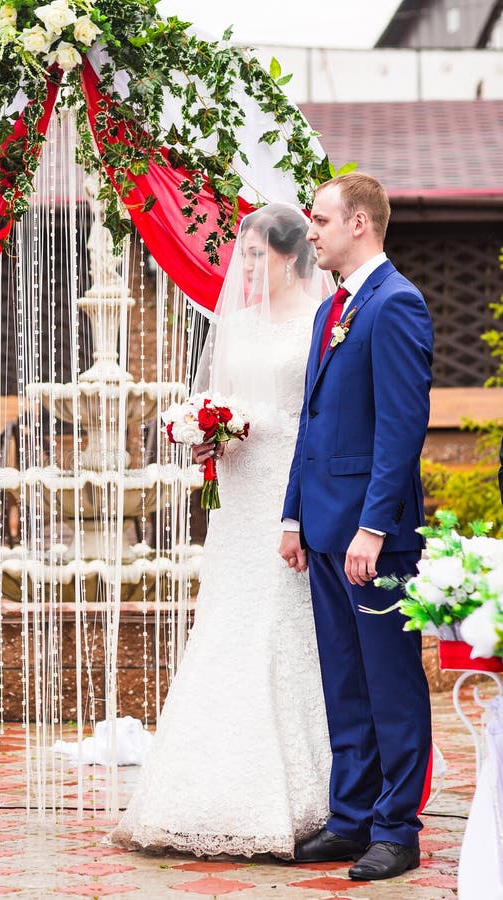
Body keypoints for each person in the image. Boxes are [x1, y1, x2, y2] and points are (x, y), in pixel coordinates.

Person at [108, 203, 334, 858]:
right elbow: (216, 394)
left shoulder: (320, 320)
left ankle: (306, 795)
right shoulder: (231, 326)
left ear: (291, 255)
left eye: (259, 255)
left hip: (289, 486)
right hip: (237, 491)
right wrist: (205, 432)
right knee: (225, 625)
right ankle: (197, 791)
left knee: (282, 627)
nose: (248, 266)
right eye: (245, 256)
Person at [279, 172, 434, 881]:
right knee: (343, 682)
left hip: (374, 539)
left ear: (359, 224)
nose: (310, 231)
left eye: (320, 219)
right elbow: (312, 423)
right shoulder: (329, 310)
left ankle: (395, 830)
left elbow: (400, 431)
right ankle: (350, 818)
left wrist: (372, 529)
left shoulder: (395, 304)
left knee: (389, 685)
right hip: (322, 530)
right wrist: (293, 514)